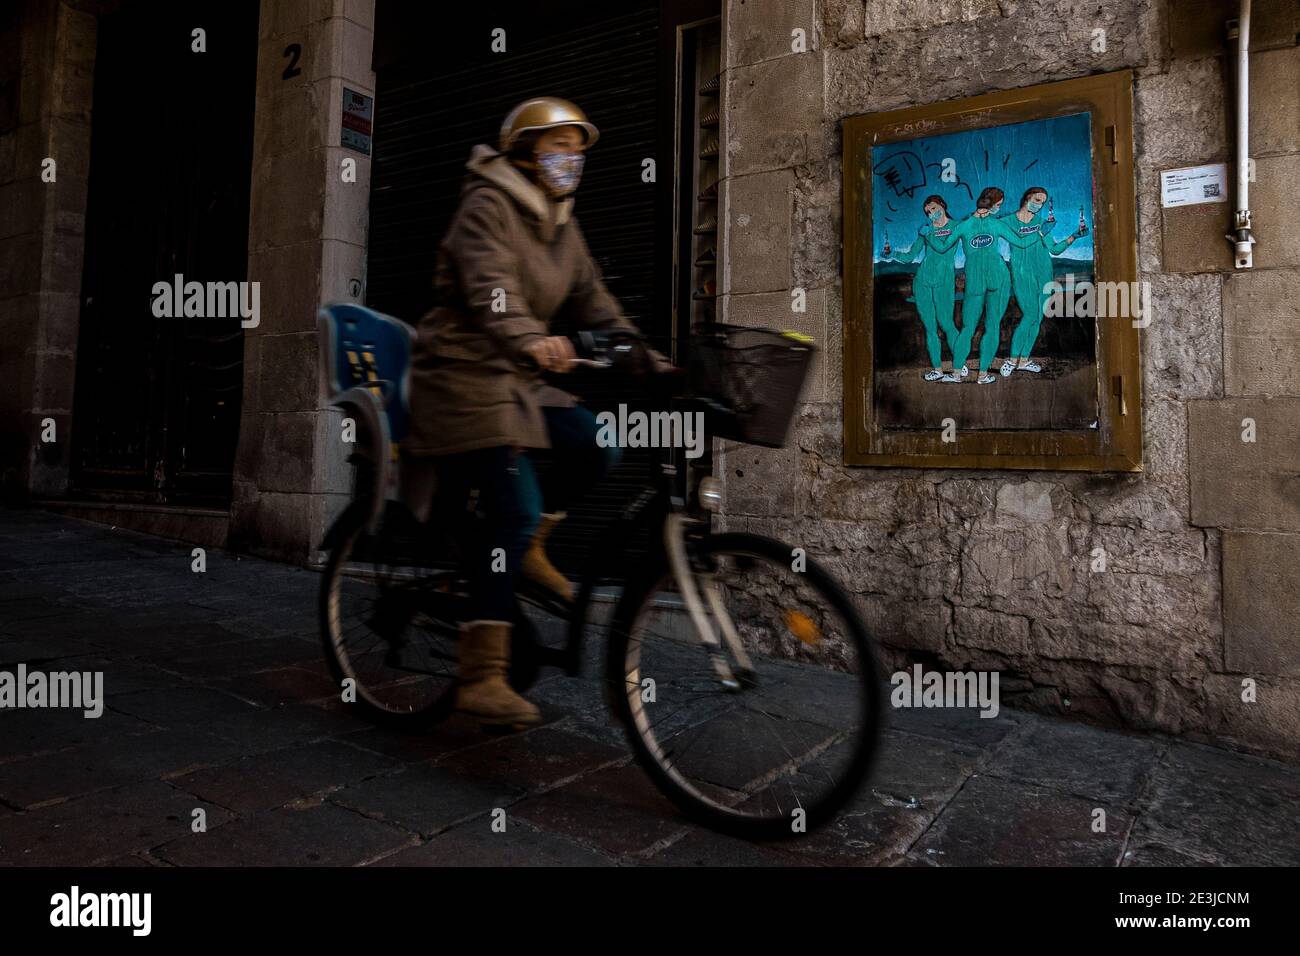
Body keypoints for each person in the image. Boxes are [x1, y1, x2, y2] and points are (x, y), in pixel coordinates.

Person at [403, 97, 658, 730]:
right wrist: (530, 337)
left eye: (577, 149)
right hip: (462, 375)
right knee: (510, 507)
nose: (571, 160)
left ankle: (535, 546)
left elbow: (595, 300)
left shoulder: (563, 226)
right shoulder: (486, 205)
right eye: (558, 148)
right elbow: (493, 291)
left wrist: (646, 357)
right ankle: (481, 675)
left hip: (517, 379)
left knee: (595, 444)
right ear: (524, 153)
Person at [927, 187, 1051, 385]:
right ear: (992, 204)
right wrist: (1040, 233)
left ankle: (957, 374)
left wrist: (929, 235)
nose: (999, 209)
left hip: (976, 282)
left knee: (968, 328)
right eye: (999, 205)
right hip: (999, 279)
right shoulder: (997, 224)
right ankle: (983, 375)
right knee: (992, 326)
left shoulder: (964, 226)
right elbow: (1021, 243)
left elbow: (942, 247)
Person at [1001, 187, 1085, 376]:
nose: (1039, 205)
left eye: (1042, 202)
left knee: (1037, 318)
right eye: (1037, 200)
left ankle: (1023, 360)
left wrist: (1074, 236)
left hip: (1044, 275)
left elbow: (1054, 250)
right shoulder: (1008, 221)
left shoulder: (1042, 223)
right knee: (1030, 315)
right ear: (1027, 198)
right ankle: (1012, 359)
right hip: (1022, 276)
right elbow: (1011, 237)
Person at [890, 195, 965, 381]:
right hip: (922, 281)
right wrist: (892, 253)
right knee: (930, 328)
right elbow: (909, 257)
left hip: (944, 282)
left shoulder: (955, 227)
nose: (931, 213)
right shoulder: (927, 230)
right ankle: (937, 370)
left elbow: (943, 248)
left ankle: (959, 364)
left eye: (933, 208)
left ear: (942, 204)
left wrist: (928, 234)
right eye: (928, 212)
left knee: (947, 324)